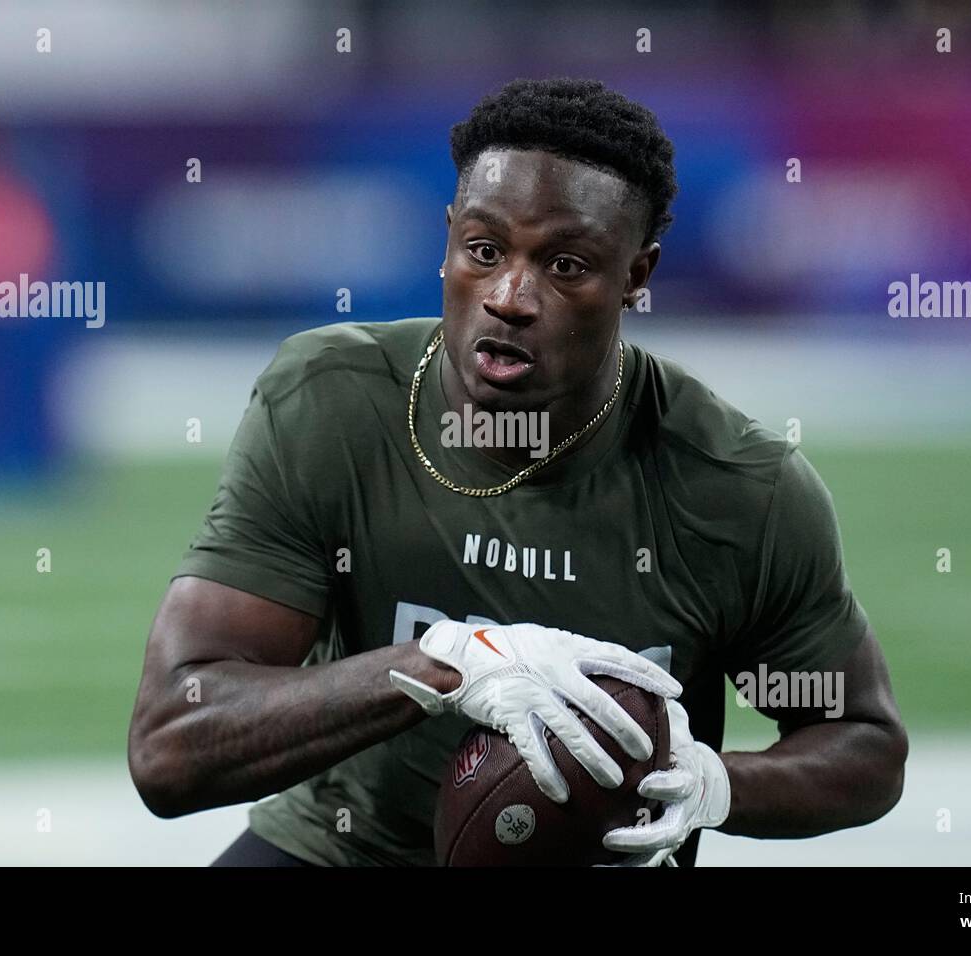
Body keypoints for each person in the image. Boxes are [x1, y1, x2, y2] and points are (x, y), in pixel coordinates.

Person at [128, 77, 908, 867]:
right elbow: (170, 745)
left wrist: (715, 785)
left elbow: (863, 743)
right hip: (346, 850)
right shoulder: (331, 404)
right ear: (448, 239)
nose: (509, 296)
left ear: (637, 276)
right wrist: (441, 664)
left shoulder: (739, 487)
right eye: (484, 250)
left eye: (566, 265)